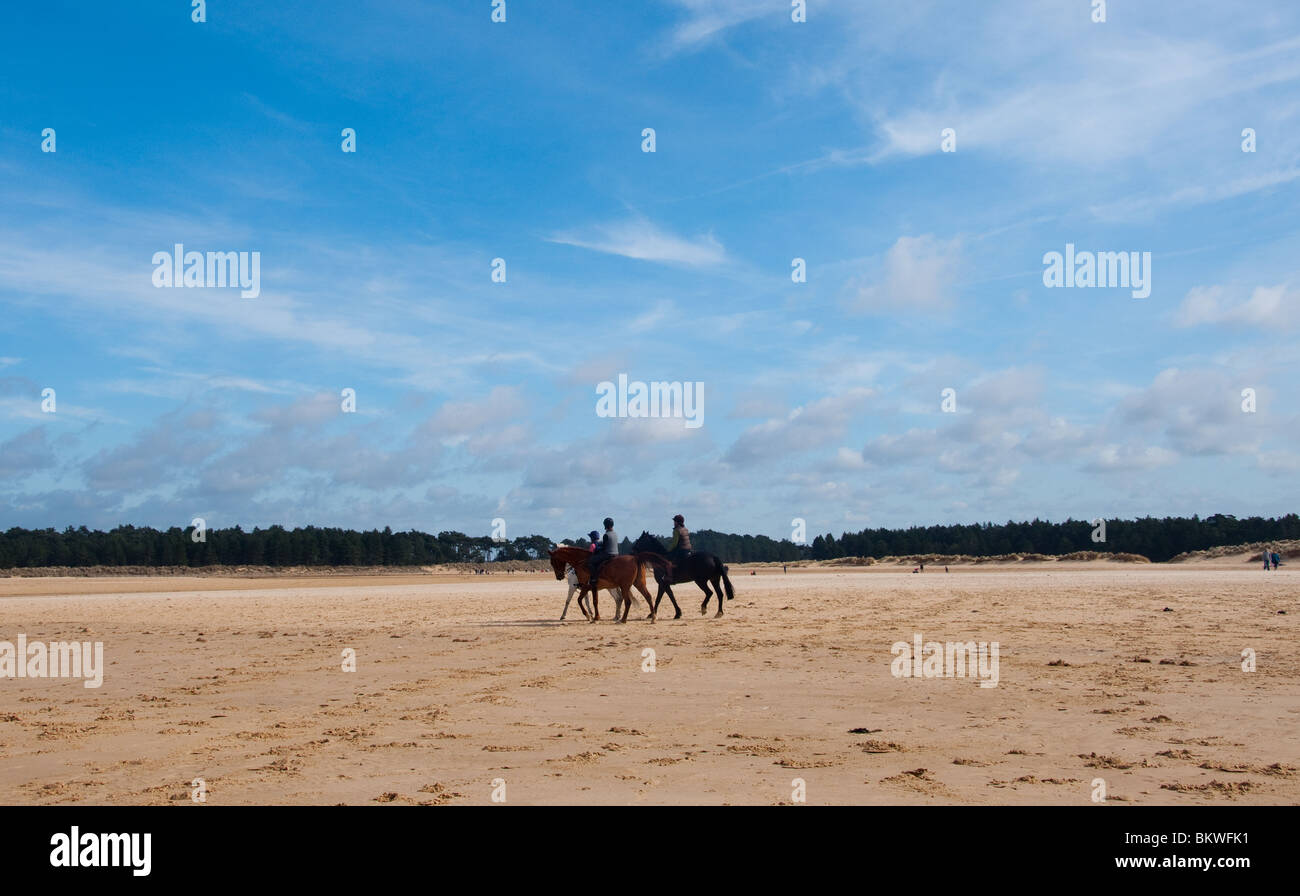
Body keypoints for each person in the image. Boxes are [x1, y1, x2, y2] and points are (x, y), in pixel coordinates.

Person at [587, 517, 618, 589]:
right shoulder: (615, 533)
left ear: (605, 525)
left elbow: (604, 547)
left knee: (590, 562)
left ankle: (594, 578)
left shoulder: (606, 535)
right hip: (616, 554)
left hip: (608, 554)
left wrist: (596, 548)